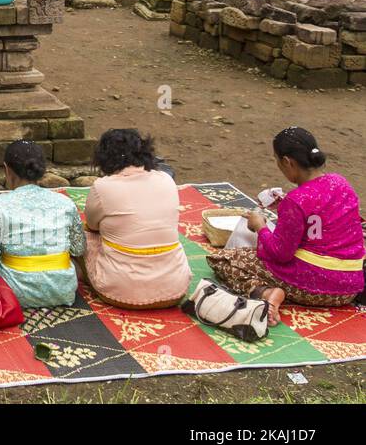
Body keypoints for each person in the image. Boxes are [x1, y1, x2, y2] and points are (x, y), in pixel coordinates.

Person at [207, 127, 364, 324]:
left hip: (319, 286)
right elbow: (326, 219)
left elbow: (280, 253)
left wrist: (260, 227)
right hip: (350, 286)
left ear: (287, 162)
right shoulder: (341, 183)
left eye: (277, 161)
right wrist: (285, 208)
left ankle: (266, 294)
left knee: (225, 260)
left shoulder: (296, 200)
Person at [79, 129, 191, 310]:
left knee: (79, 235)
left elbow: (92, 226)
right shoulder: (166, 179)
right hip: (175, 288)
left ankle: (85, 274)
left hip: (121, 291)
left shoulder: (103, 187)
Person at [0, 141, 86, 308]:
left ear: (6, 169)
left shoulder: (0, 204)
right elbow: (79, 249)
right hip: (63, 289)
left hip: (13, 291)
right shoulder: (65, 202)